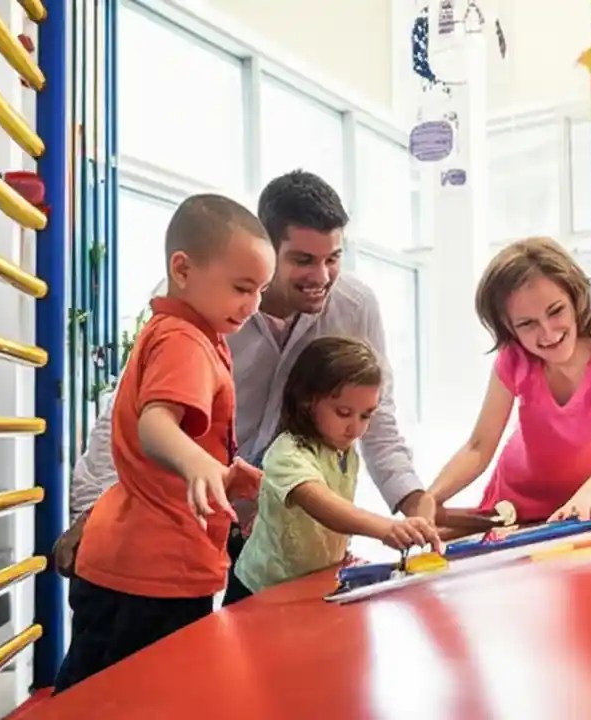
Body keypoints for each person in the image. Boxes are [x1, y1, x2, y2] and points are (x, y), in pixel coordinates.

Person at [57, 170, 437, 578]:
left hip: (270, 520)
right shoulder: (199, 302)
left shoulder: (354, 306)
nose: (322, 277)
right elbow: (130, 410)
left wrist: (415, 501)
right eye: (303, 260)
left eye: (333, 258)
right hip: (184, 512)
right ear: (267, 252)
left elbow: (377, 417)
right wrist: (90, 511)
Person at [52, 194, 273, 694]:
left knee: (97, 690)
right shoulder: (186, 341)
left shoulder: (177, 330)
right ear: (183, 268)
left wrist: (225, 471)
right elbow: (156, 426)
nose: (253, 304)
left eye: (260, 290)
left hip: (133, 559)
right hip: (152, 570)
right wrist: (196, 460)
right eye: (242, 287)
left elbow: (176, 441)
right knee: (137, 696)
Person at [427, 236, 591, 524]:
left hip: (575, 507)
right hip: (507, 507)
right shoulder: (514, 358)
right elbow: (479, 446)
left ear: (575, 299)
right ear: (509, 329)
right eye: (527, 324)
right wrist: (431, 498)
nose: (548, 333)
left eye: (556, 311)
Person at [224, 337, 445, 605]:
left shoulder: (345, 450)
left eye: (366, 416)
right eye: (343, 412)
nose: (356, 428)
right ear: (307, 401)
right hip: (261, 589)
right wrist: (386, 528)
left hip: (311, 583)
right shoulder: (287, 453)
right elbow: (323, 505)